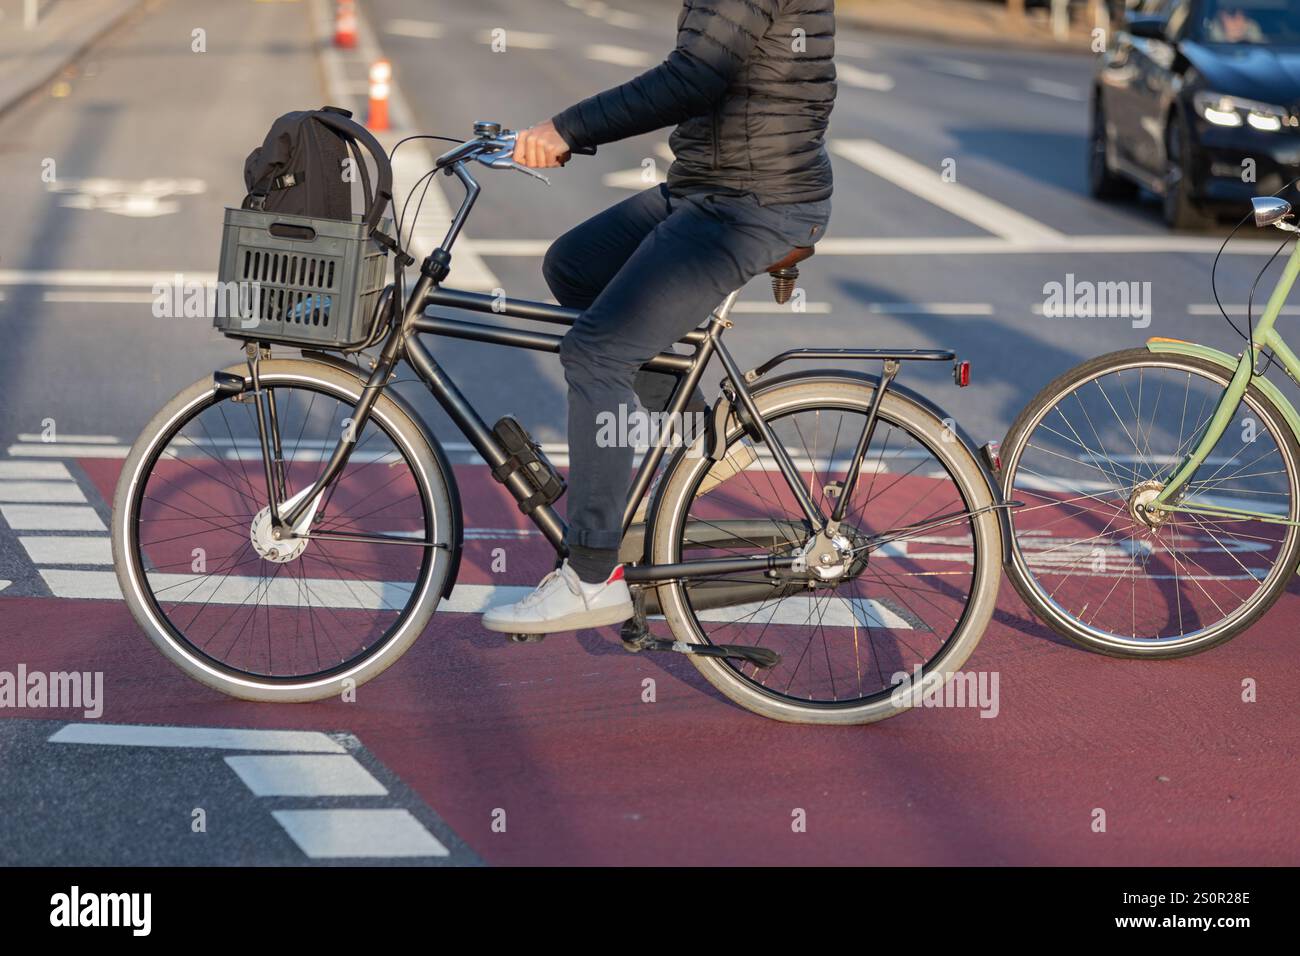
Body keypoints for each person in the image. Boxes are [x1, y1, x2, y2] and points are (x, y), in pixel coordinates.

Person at [482, 0, 836, 634]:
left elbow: (691, 77)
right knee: (575, 266)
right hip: (711, 183)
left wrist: (567, 128)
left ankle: (592, 576)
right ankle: (705, 438)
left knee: (595, 354)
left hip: (751, 201)